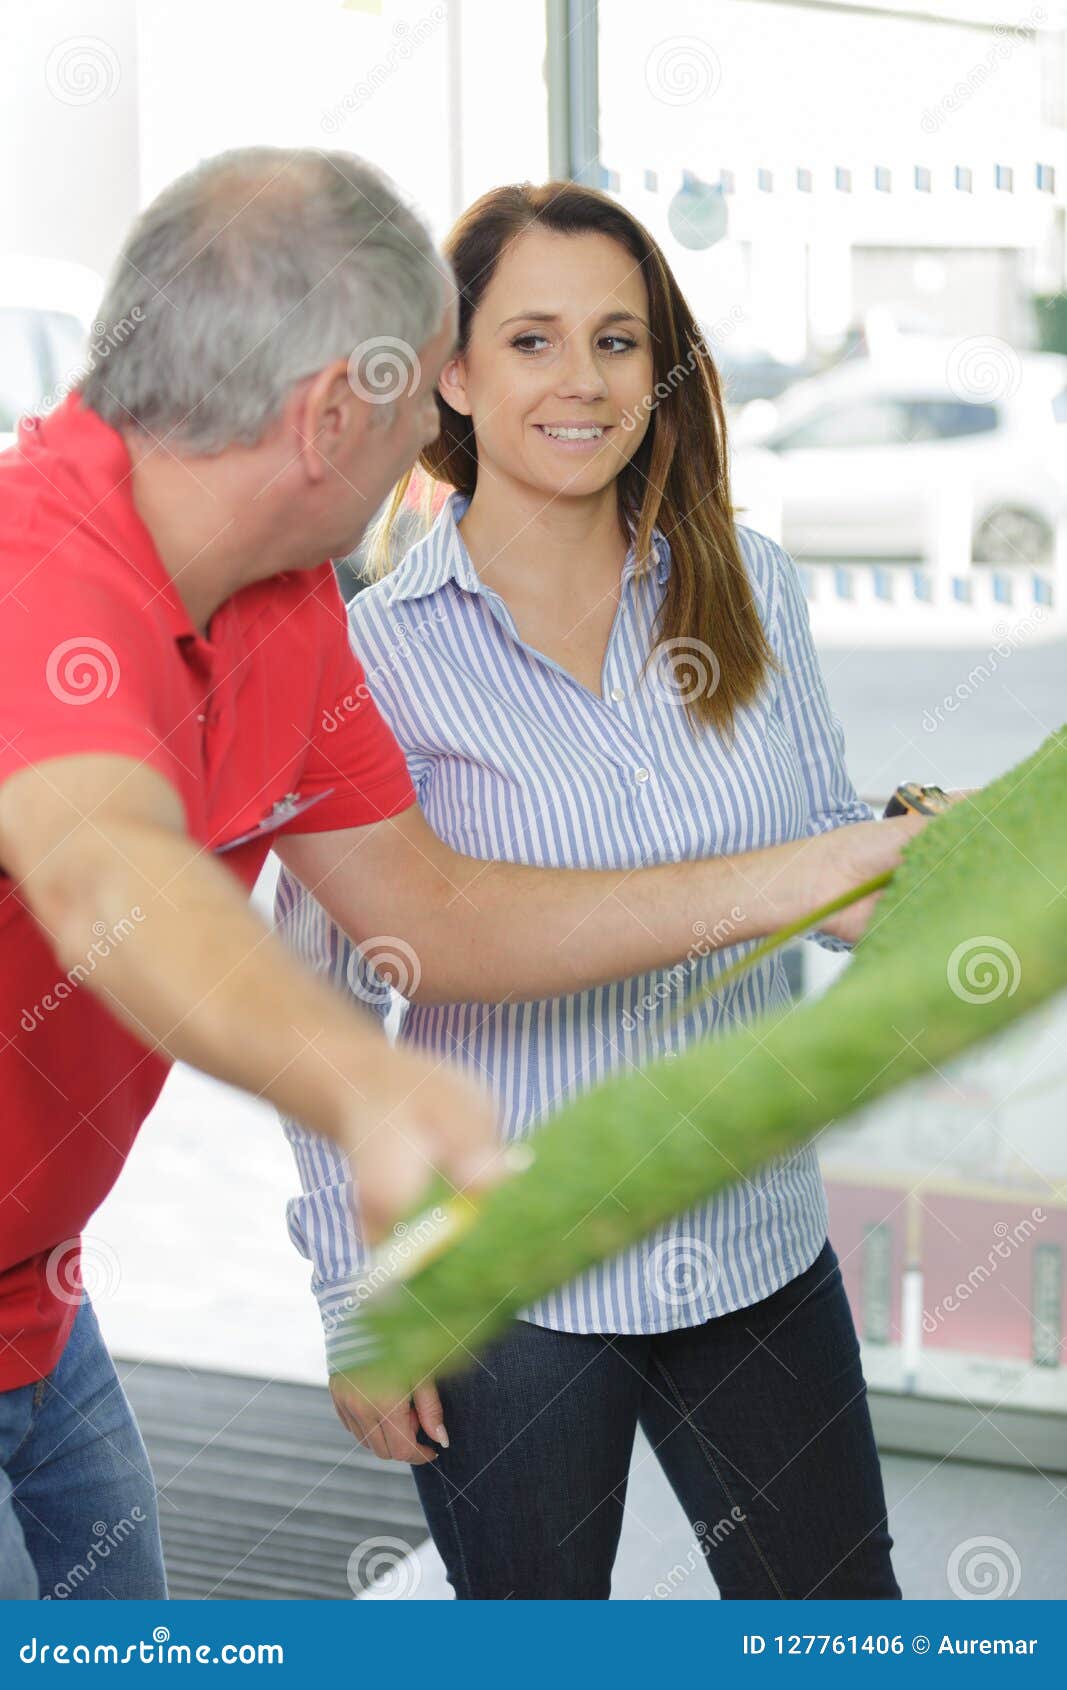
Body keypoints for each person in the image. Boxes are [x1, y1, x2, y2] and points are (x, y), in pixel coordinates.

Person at [0, 149, 919, 1601]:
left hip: (35, 1306)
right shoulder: (40, 573)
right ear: (340, 415)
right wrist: (365, 1109)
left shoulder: (293, 609)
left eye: (614, 341)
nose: (451, 410)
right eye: (447, 366)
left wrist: (846, 866)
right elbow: (97, 851)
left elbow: (427, 910)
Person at [278, 180, 915, 1601]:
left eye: (618, 341)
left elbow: (816, 846)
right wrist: (350, 1294)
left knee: (844, 1627)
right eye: (533, 341)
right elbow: (319, 1006)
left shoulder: (750, 586)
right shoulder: (370, 660)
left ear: (659, 367)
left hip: (754, 1243)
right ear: (451, 370)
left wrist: (930, 858)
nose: (583, 380)